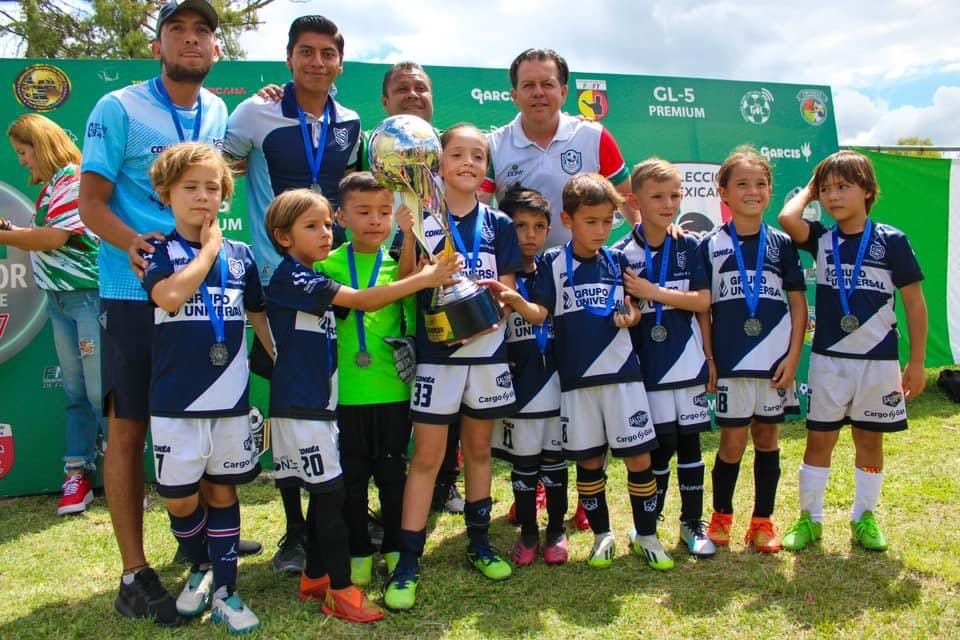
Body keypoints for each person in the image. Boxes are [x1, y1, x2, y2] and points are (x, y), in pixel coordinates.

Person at [78, 0, 239, 625]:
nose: (190, 40)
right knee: (129, 427)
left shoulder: (217, 109)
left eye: (202, 32)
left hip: (200, 294)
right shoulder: (117, 107)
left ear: (216, 48)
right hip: (132, 292)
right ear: (158, 45)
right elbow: (91, 204)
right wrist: (136, 246)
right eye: (177, 30)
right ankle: (133, 572)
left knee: (198, 422)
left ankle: (199, 543)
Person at [264, 188, 456, 623]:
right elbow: (365, 300)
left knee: (329, 492)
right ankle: (341, 590)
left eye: (324, 225)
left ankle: (315, 575)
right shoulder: (300, 278)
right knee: (333, 494)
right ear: (283, 236)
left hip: (319, 403)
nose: (324, 233)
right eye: (312, 226)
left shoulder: (306, 275)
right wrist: (425, 278)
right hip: (305, 406)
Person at [222, 13, 362, 574]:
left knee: (327, 399)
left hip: (331, 279)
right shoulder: (253, 112)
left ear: (340, 63)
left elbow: (350, 194)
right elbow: (221, 170)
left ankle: (336, 512)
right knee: (286, 403)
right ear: (289, 58)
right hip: (273, 281)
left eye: (328, 53)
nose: (317, 62)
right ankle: (294, 531)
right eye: (307, 51)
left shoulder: (350, 122)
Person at [385, 124, 522, 610]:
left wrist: (486, 311)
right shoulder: (422, 216)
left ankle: (479, 543)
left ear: (487, 168)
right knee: (426, 457)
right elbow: (404, 282)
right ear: (437, 163)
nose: (468, 163)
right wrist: (409, 239)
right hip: (438, 355)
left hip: (486, 352)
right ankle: (407, 561)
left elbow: (507, 290)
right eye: (457, 154)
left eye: (477, 156)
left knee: (478, 450)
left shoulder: (499, 224)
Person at [140, 143, 270, 633]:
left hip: (230, 401)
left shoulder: (242, 256)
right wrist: (209, 248)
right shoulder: (157, 250)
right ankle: (200, 564)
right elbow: (171, 297)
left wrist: (278, 357)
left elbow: (256, 312)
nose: (202, 196)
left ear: (224, 195)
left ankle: (226, 590)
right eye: (190, 187)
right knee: (179, 498)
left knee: (222, 491)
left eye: (211, 188)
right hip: (176, 401)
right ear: (166, 194)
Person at [777, 150, 927, 552]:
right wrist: (811, 187)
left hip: (878, 361)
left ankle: (864, 516)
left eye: (843, 187)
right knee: (819, 441)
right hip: (829, 361)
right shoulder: (822, 239)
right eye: (826, 189)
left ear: (868, 190)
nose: (833, 196)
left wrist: (916, 362)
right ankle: (810, 518)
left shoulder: (891, 241)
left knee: (870, 441)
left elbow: (914, 302)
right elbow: (788, 218)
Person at [522, 173, 665, 570]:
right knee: (588, 462)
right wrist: (514, 301)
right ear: (568, 220)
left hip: (622, 379)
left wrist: (631, 317)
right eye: (591, 221)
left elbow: (635, 309)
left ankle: (647, 535)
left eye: (607, 221)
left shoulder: (618, 261)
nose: (601, 230)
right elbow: (540, 313)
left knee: (639, 459)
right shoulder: (552, 262)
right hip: (577, 383)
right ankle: (603, 535)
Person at [696, 146, 807, 554]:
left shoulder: (782, 244)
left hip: (774, 363)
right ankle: (722, 515)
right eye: (742, 184)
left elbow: (798, 305)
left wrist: (793, 358)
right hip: (731, 363)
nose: (752, 191)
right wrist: (710, 359)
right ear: (723, 191)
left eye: (761, 184)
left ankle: (762, 521)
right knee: (731, 442)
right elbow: (703, 310)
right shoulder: (709, 244)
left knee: (767, 437)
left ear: (770, 191)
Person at [313, 173, 417, 587]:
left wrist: (410, 238)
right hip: (345, 395)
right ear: (340, 217)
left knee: (393, 475)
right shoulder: (325, 265)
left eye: (384, 212)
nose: (375, 220)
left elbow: (409, 293)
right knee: (351, 480)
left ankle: (394, 545)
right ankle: (358, 549)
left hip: (392, 389)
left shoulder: (397, 265)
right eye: (363, 212)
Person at [615, 158, 716, 560]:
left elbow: (703, 302)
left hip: (688, 360)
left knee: (691, 444)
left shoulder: (690, 245)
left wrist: (709, 356)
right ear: (634, 201)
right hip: (648, 367)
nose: (668, 204)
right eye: (657, 196)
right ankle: (648, 523)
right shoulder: (620, 254)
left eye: (675, 195)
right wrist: (631, 308)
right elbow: (623, 310)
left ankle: (692, 522)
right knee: (661, 444)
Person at [3, 114, 102, 516]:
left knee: (100, 393)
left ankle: (124, 478)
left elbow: (53, 238)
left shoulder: (74, 180)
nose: (22, 161)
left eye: (23, 151)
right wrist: (11, 230)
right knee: (77, 393)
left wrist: (5, 234)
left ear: (41, 145)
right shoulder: (51, 187)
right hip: (60, 302)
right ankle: (77, 473)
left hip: (88, 299)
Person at [488, 185, 570, 565]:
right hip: (518, 387)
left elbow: (546, 316)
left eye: (539, 227)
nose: (530, 235)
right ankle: (528, 533)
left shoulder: (551, 270)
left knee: (554, 463)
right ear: (505, 229)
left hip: (553, 383)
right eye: (521, 226)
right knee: (523, 465)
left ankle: (556, 530)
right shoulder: (493, 276)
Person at [480, 48, 634, 249]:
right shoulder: (492, 145)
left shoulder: (595, 136)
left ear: (563, 92)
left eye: (547, 84)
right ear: (514, 96)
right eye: (528, 85)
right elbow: (477, 213)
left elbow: (631, 202)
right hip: (516, 266)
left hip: (581, 266)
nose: (538, 92)